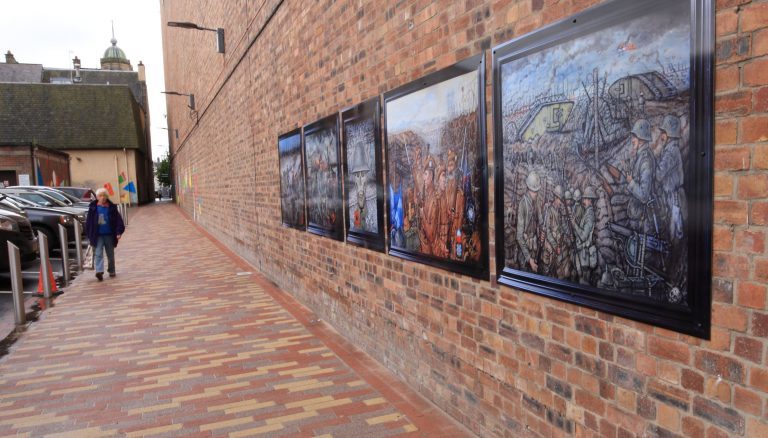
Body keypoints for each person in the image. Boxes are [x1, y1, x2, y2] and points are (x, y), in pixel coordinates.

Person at [85, 188, 125, 281]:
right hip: (97, 235)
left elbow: (118, 221)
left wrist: (118, 232)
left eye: (104, 196)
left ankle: (111, 270)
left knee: (110, 254)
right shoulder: (93, 208)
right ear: (97, 197)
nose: (102, 198)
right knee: (98, 253)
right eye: (100, 196)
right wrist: (90, 235)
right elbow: (89, 223)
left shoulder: (111, 208)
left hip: (109, 234)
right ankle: (99, 271)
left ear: (107, 197)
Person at [516, 171, 542, 272]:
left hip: (534, 249)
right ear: (528, 188)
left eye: (536, 191)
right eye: (533, 191)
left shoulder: (536, 202)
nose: (535, 193)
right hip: (524, 254)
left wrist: (540, 231)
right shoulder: (523, 204)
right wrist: (529, 259)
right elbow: (519, 236)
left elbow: (539, 221)